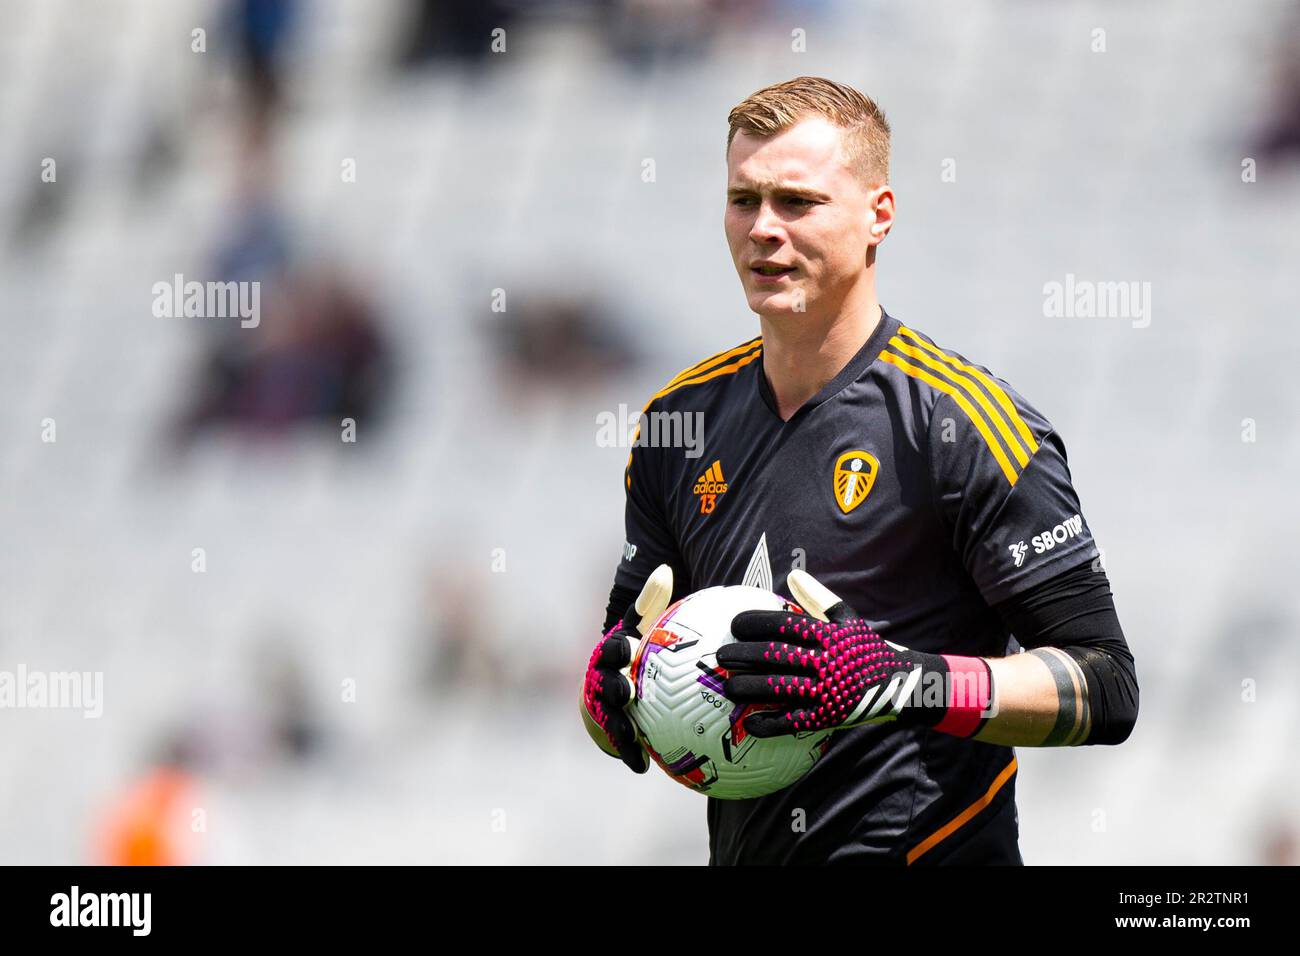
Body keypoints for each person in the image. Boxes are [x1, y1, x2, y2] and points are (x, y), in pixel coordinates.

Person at [581, 76, 1139, 865]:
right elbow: (625, 655)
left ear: (879, 214)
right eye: (744, 200)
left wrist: (896, 681)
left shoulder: (966, 423)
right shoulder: (677, 424)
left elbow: (1106, 687)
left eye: (797, 203)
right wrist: (610, 706)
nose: (763, 230)